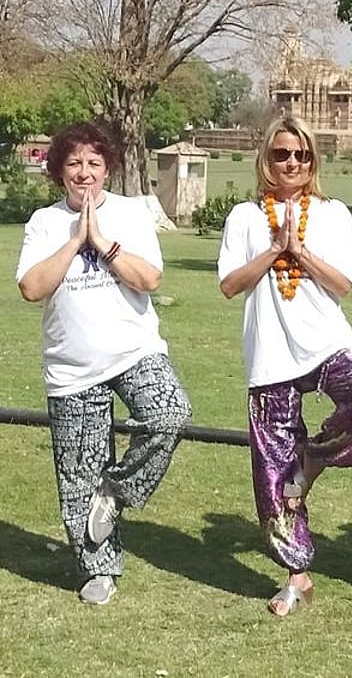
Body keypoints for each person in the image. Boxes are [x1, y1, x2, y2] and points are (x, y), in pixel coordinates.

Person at [16, 121, 192, 605]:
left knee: (169, 413)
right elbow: (32, 288)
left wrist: (103, 242)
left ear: (107, 168)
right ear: (60, 172)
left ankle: (114, 492)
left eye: (94, 163)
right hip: (71, 368)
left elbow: (149, 279)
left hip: (134, 353)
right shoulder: (44, 222)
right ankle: (98, 569)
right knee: (78, 476)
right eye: (74, 164)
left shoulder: (131, 214)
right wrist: (75, 240)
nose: (85, 173)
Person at [218, 117, 352, 617]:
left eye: (301, 156)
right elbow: (229, 285)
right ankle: (296, 576)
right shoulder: (245, 217)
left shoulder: (332, 214)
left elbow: (343, 284)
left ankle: (312, 460)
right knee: (273, 474)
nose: (291, 163)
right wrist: (274, 249)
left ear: (313, 161)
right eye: (281, 155)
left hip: (325, 343)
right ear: (265, 160)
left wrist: (299, 250)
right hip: (270, 355)